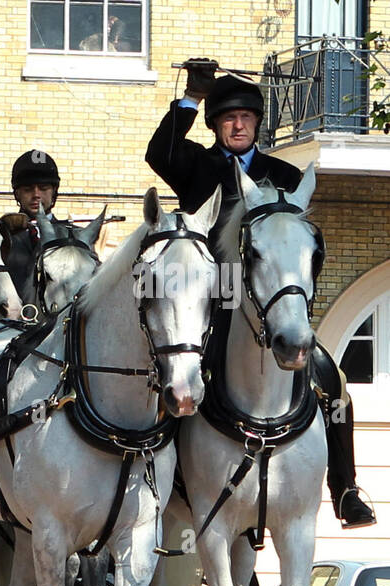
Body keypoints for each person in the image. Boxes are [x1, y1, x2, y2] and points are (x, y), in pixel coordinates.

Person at [146, 63, 376, 528]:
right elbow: (159, 150)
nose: (237, 125)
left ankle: (345, 486)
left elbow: (298, 245)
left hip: (269, 303)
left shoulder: (285, 174)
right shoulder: (196, 165)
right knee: (172, 374)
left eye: (246, 118)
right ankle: (155, 475)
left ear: (257, 124)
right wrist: (192, 96)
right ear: (215, 125)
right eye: (227, 118)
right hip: (211, 298)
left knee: (330, 378)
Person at [0, 149, 69, 300]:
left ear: (54, 191)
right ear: (17, 194)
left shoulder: (72, 236)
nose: (36, 194)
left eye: (43, 189)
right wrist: (2, 232)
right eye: (27, 189)